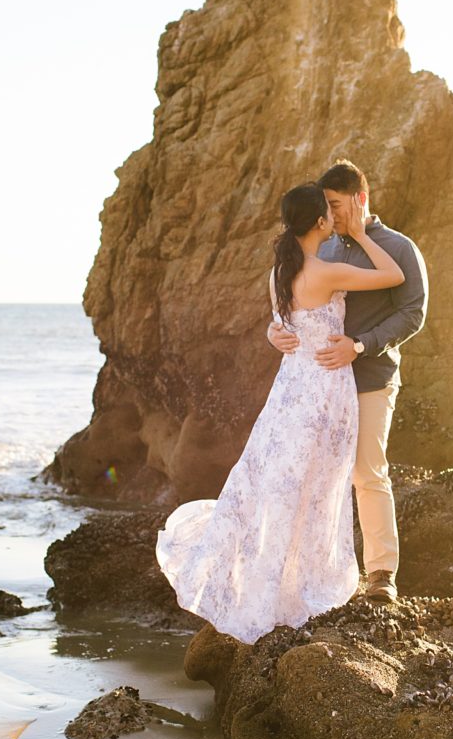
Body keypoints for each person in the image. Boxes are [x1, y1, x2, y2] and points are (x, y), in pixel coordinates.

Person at [154, 182, 405, 644]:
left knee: (279, 484)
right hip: (326, 391)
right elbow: (392, 275)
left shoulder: (279, 273)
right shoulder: (326, 272)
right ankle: (302, 588)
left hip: (289, 392)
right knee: (319, 488)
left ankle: (277, 586)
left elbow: (283, 324)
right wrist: (362, 236)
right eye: (328, 212)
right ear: (320, 222)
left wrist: (275, 333)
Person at [266, 160, 429, 604]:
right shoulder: (324, 248)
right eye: (325, 206)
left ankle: (381, 574)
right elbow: (293, 304)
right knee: (314, 474)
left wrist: (359, 345)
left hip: (371, 376)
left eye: (336, 205)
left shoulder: (399, 247)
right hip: (321, 382)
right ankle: (310, 572)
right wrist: (274, 332)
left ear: (360, 199)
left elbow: (413, 313)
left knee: (367, 472)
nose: (330, 214)